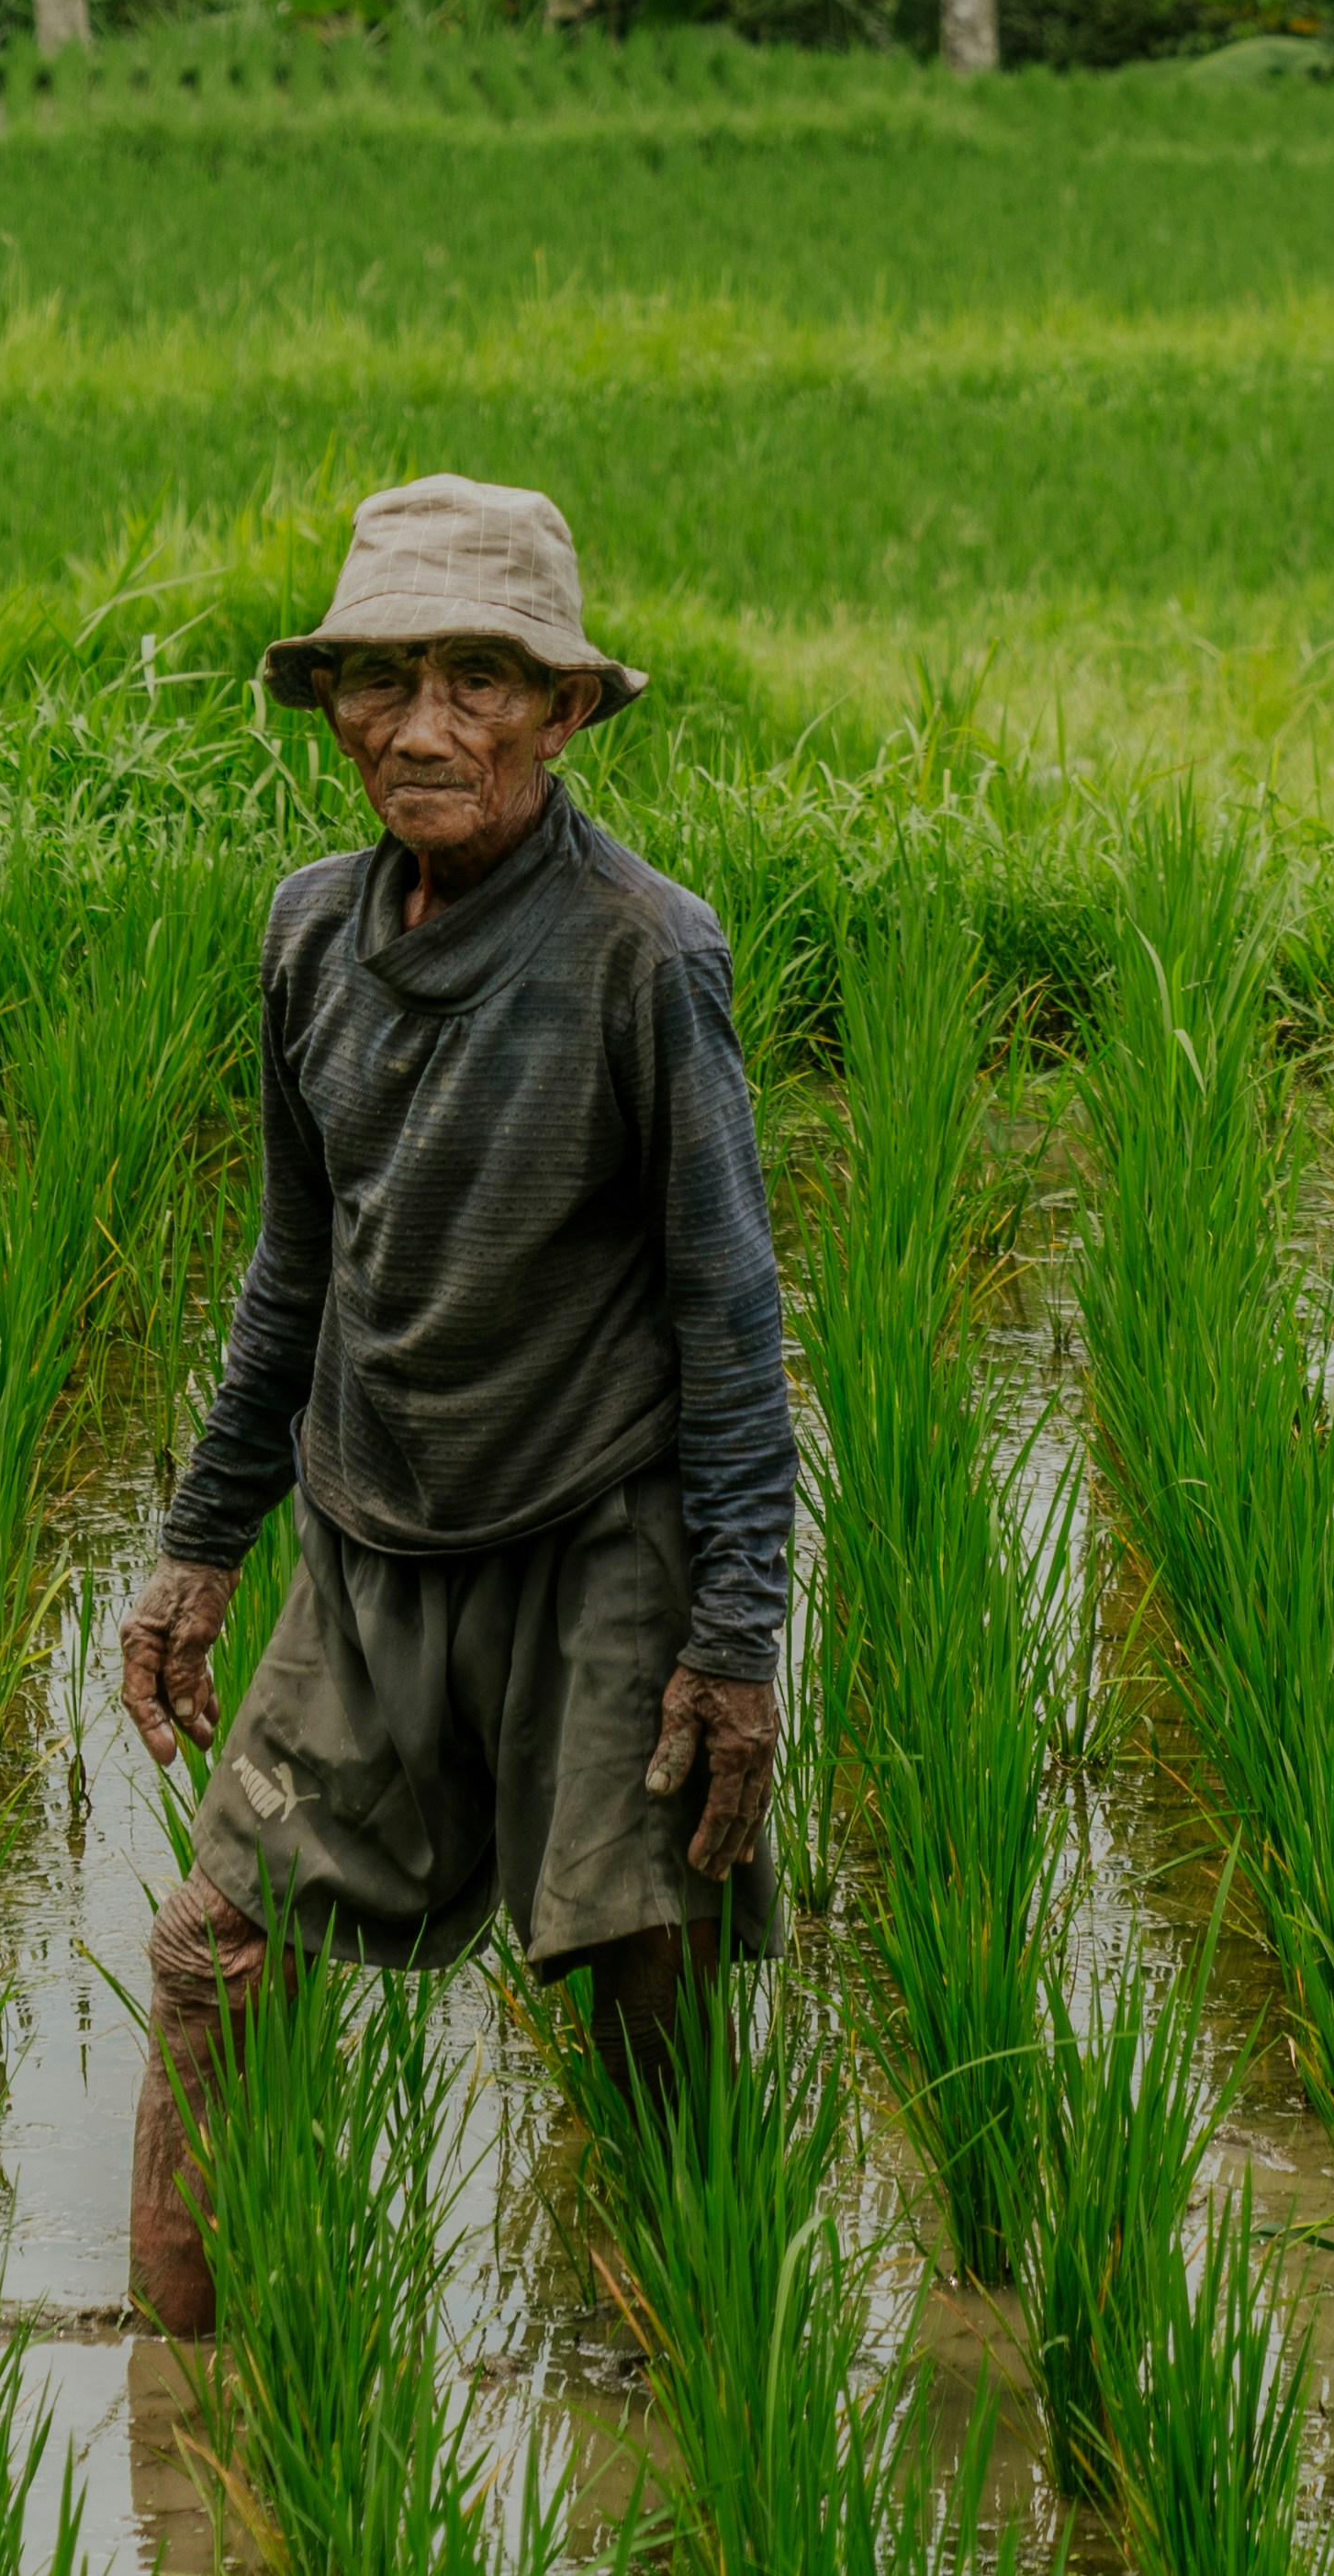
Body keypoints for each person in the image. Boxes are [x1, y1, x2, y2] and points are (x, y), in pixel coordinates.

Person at [113, 470, 792, 2343]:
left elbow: (727, 1316)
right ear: (329, 699)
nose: (422, 727)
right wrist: (194, 1549)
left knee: (641, 1975)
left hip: (596, 1540)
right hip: (371, 1534)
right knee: (210, 1956)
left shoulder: (639, 954)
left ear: (565, 708)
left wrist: (734, 1644)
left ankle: (696, 2394)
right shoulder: (307, 933)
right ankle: (180, 2417)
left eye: (478, 680)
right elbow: (294, 1273)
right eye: (381, 677)